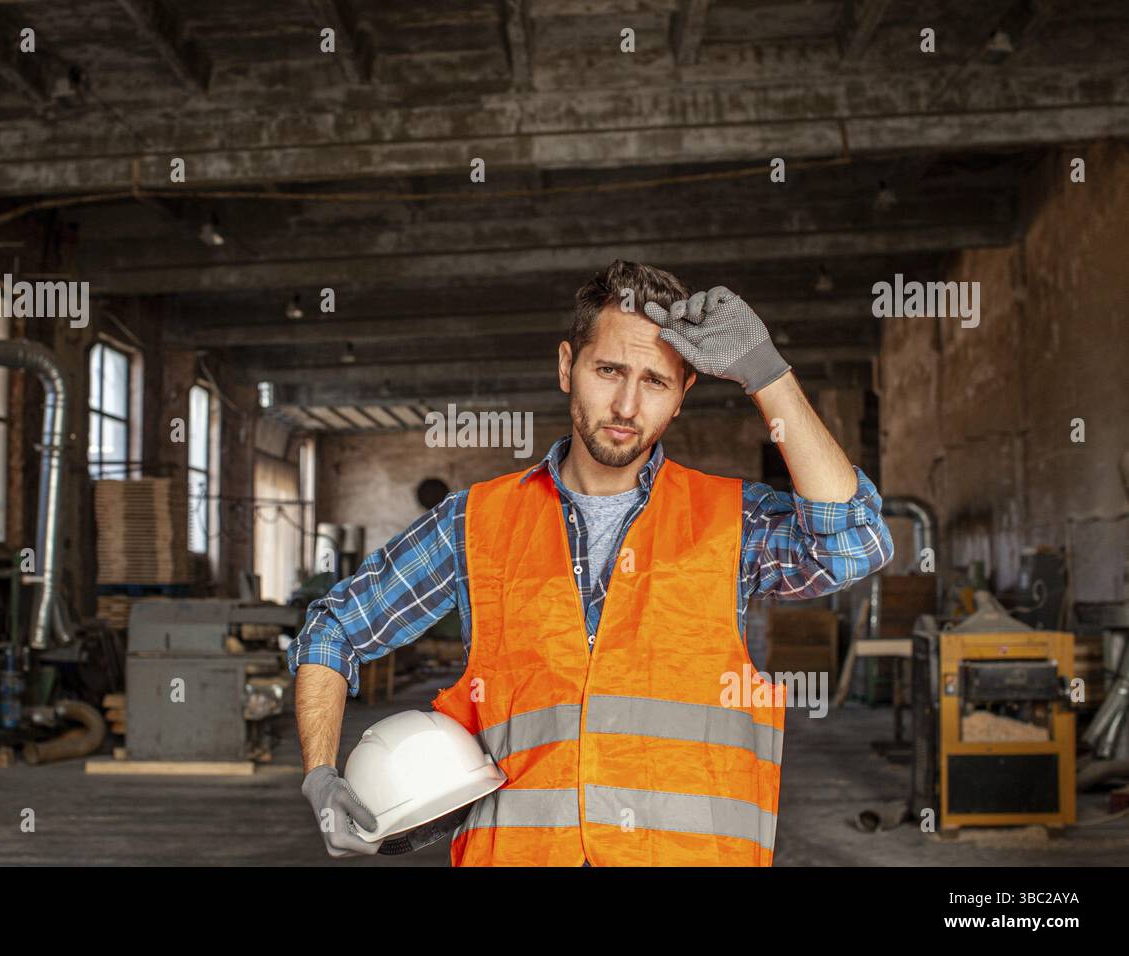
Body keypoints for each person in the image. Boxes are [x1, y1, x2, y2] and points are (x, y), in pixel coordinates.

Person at [291, 259, 893, 865]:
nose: (627, 405)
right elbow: (332, 629)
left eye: (655, 381)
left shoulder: (730, 521)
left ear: (682, 396)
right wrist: (319, 774)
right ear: (566, 367)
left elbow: (854, 542)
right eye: (608, 370)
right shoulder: (473, 523)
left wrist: (765, 371)